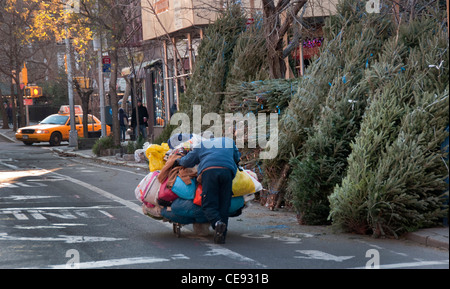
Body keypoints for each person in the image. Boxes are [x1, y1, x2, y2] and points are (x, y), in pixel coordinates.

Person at [175, 137, 241, 244]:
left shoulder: (201, 145)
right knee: (224, 203)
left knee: (208, 204)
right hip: (227, 172)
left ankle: (217, 223)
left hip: (209, 172)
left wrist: (179, 161)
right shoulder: (229, 141)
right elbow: (237, 157)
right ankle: (222, 234)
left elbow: (188, 161)